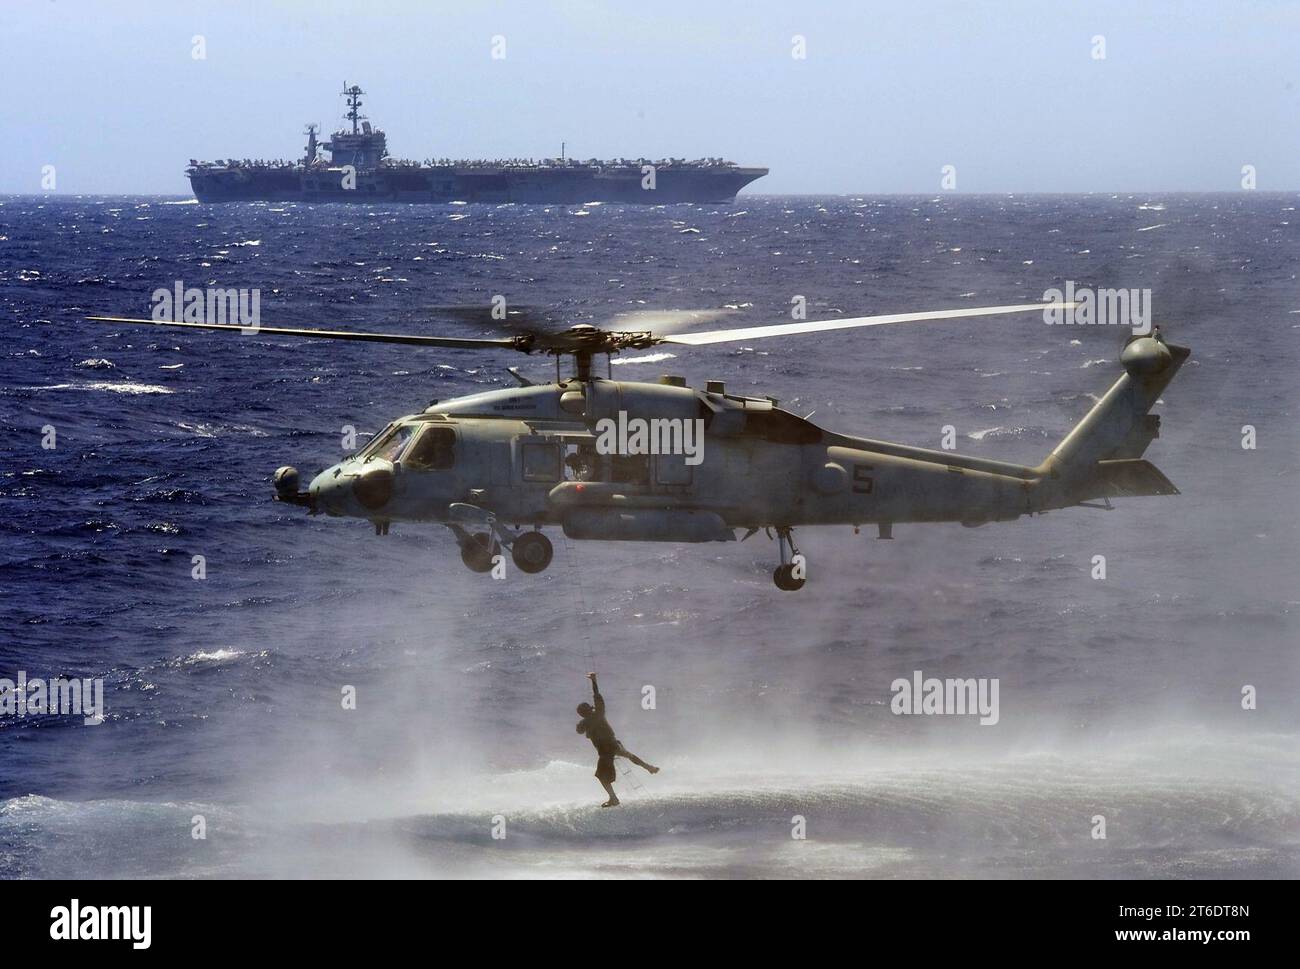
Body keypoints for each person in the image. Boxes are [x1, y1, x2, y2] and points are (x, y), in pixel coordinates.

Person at [575, 673, 658, 807]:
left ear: (581, 714)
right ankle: (649, 767)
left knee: (601, 776)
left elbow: (579, 731)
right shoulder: (599, 713)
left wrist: (582, 723)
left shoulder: (585, 723)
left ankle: (613, 798)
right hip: (614, 744)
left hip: (605, 751)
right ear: (590, 709)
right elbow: (597, 697)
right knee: (628, 755)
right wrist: (594, 681)